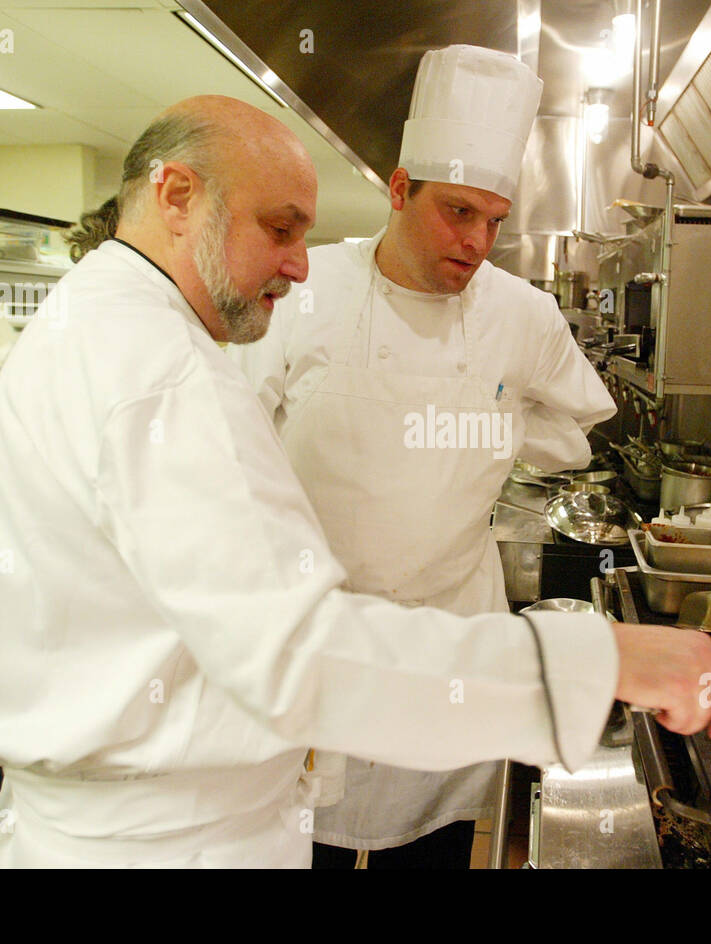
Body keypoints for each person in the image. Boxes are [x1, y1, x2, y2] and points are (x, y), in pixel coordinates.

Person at [0, 95, 711, 868]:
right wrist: (605, 659)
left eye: (495, 221)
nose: (301, 264)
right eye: (279, 228)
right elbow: (300, 655)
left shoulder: (107, 325)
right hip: (163, 839)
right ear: (176, 195)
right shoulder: (158, 375)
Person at [233, 45, 616, 867]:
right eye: (457, 212)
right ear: (399, 190)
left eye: (495, 220)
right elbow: (237, 441)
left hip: (451, 637)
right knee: (310, 844)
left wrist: (494, 429)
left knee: (435, 852)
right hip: (319, 642)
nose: (478, 241)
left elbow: (579, 427)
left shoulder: (523, 314)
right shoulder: (306, 290)